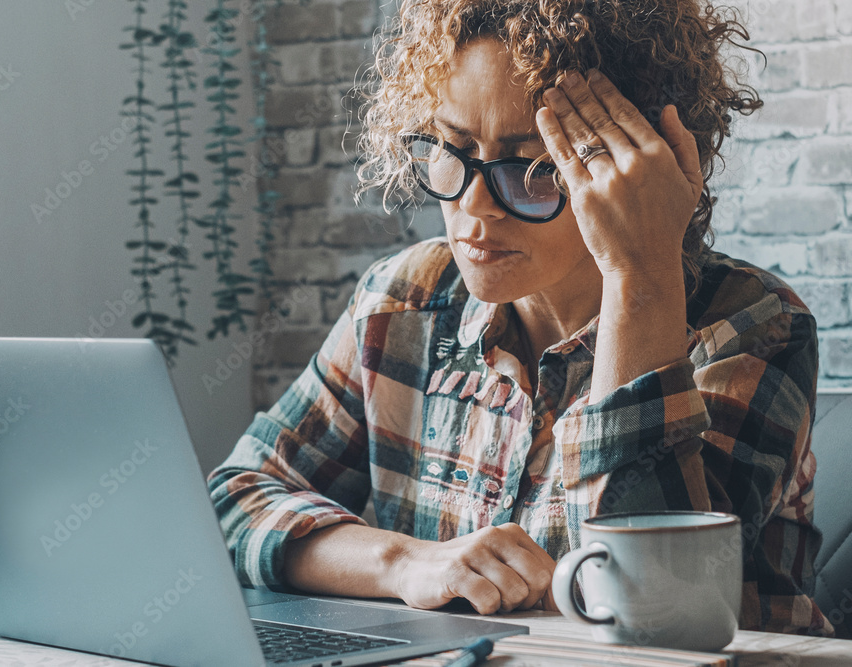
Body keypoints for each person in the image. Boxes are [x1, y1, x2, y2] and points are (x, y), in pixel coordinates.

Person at [208, 0, 833, 636]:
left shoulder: (753, 328)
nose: (474, 206)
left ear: (637, 165)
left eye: (529, 167)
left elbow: (657, 608)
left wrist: (639, 278)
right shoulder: (403, 302)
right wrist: (404, 564)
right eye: (451, 149)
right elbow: (233, 499)